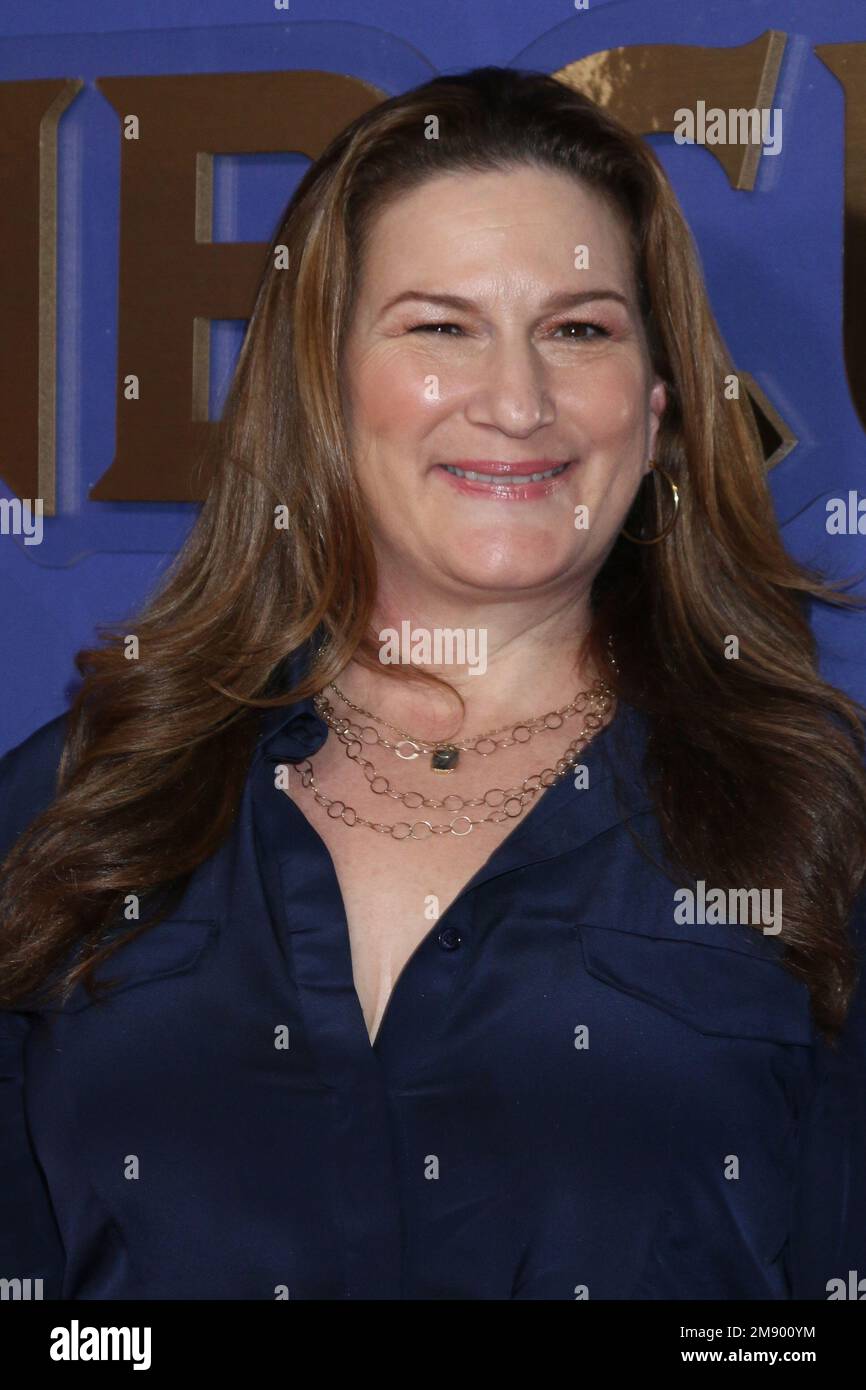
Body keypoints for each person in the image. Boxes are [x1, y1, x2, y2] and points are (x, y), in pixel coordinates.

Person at [1, 66, 865, 1302]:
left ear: (659, 403)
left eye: (578, 329)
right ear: (318, 382)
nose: (515, 402)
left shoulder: (821, 822)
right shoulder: (77, 805)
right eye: (438, 325)